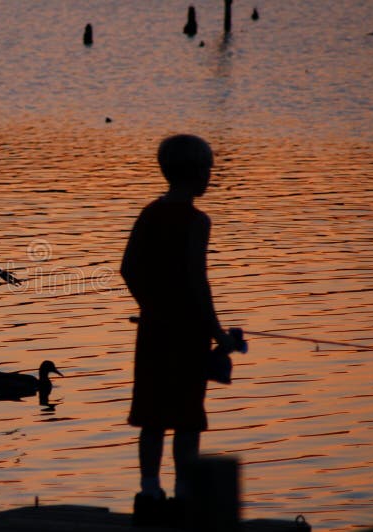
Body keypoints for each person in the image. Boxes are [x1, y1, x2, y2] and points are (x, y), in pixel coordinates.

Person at [120, 134, 235, 526]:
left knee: (152, 415)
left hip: (153, 331)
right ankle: (184, 495)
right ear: (196, 174)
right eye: (208, 168)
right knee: (186, 418)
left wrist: (150, 307)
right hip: (188, 335)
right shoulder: (197, 221)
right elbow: (197, 281)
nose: (210, 175)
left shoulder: (149, 212)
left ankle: (149, 491)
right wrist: (218, 334)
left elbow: (128, 269)